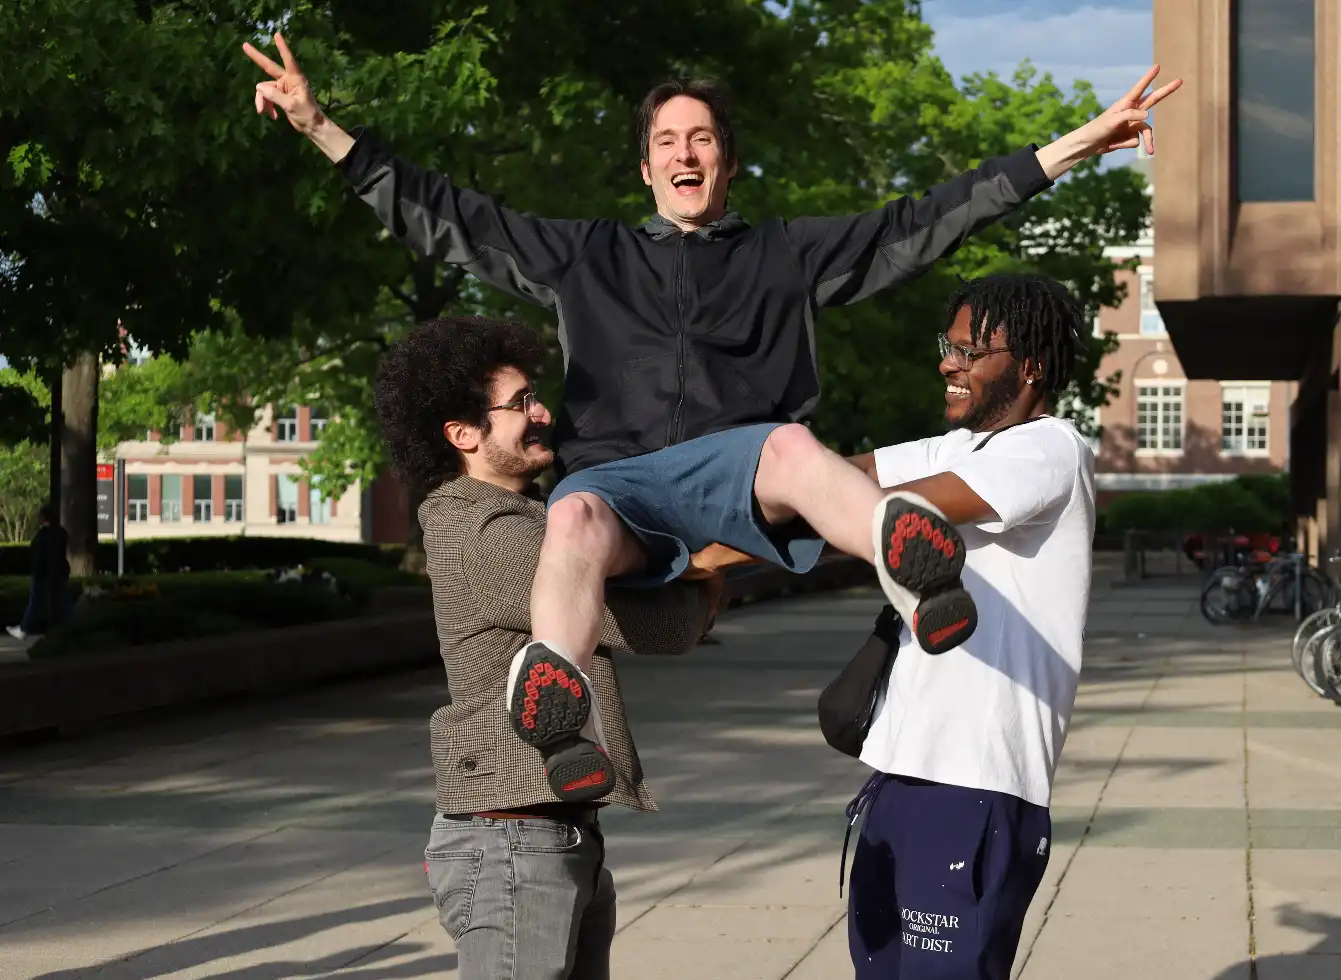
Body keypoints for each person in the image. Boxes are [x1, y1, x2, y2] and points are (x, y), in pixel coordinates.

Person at [244, 33, 1180, 802]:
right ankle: (560, 716)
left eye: (702, 139)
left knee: (788, 444)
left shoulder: (786, 254)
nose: (685, 153)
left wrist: (1065, 150)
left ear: (728, 161)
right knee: (569, 514)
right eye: (667, 141)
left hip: (738, 474)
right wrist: (322, 126)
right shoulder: (586, 258)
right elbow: (447, 214)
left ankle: (920, 573)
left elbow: (923, 221)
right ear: (645, 165)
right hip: (620, 487)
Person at [372, 314, 728, 980]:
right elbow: (654, 626)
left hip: (550, 835)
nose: (543, 412)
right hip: (515, 844)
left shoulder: (513, 518)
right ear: (462, 433)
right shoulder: (490, 532)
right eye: (521, 401)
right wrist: (713, 569)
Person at [842, 273, 1098, 980]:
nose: (949, 364)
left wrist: (816, 498)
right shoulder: (957, 446)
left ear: (1031, 368)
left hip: (978, 787)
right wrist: (700, 551)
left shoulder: (1048, 450)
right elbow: (831, 482)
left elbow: (899, 508)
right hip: (899, 775)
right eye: (948, 346)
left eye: (970, 350)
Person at [7, 506, 69, 640]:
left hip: (43, 573)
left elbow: (38, 555)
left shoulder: (42, 535)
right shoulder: (62, 532)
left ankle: (24, 629)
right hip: (60, 572)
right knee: (62, 601)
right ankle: (69, 628)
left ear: (43, 518)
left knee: (36, 601)